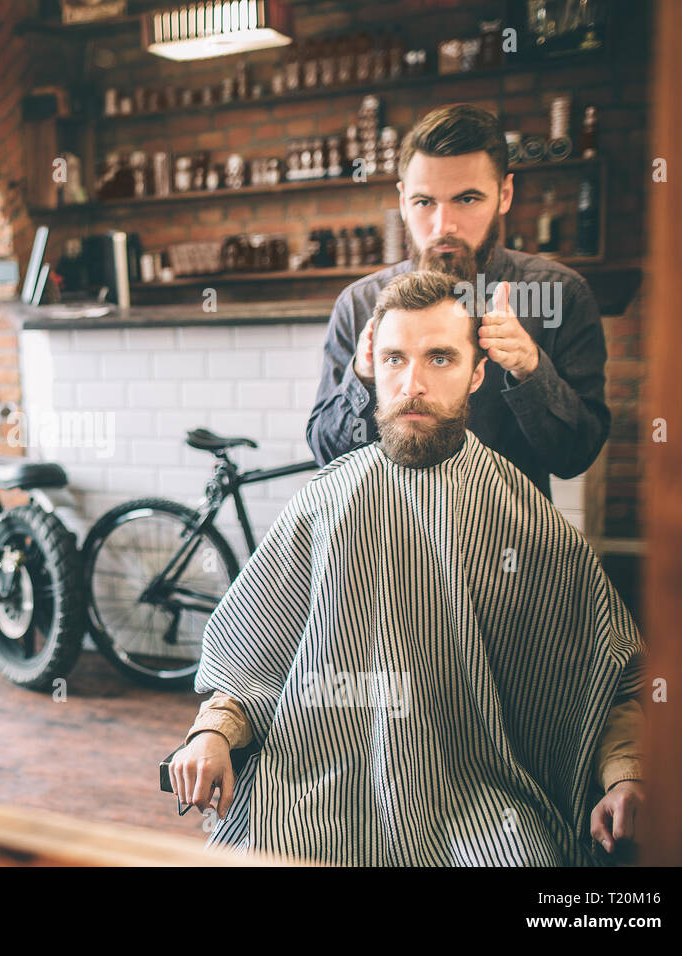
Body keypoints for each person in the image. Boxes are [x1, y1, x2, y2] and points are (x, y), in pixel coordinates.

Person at [170, 270, 645, 866]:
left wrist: (625, 776)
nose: (412, 384)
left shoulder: (523, 516)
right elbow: (248, 663)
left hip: (481, 799)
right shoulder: (325, 502)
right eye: (394, 359)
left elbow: (612, 677)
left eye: (439, 358)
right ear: (374, 369)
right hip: (316, 784)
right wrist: (212, 734)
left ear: (476, 375)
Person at [306, 103, 610, 500]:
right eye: (424, 202)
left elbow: (575, 456)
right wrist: (362, 377)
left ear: (504, 194)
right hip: (384, 544)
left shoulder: (561, 295)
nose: (442, 225)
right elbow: (327, 458)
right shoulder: (360, 304)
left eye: (467, 199)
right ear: (402, 200)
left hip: (510, 543)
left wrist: (530, 369)